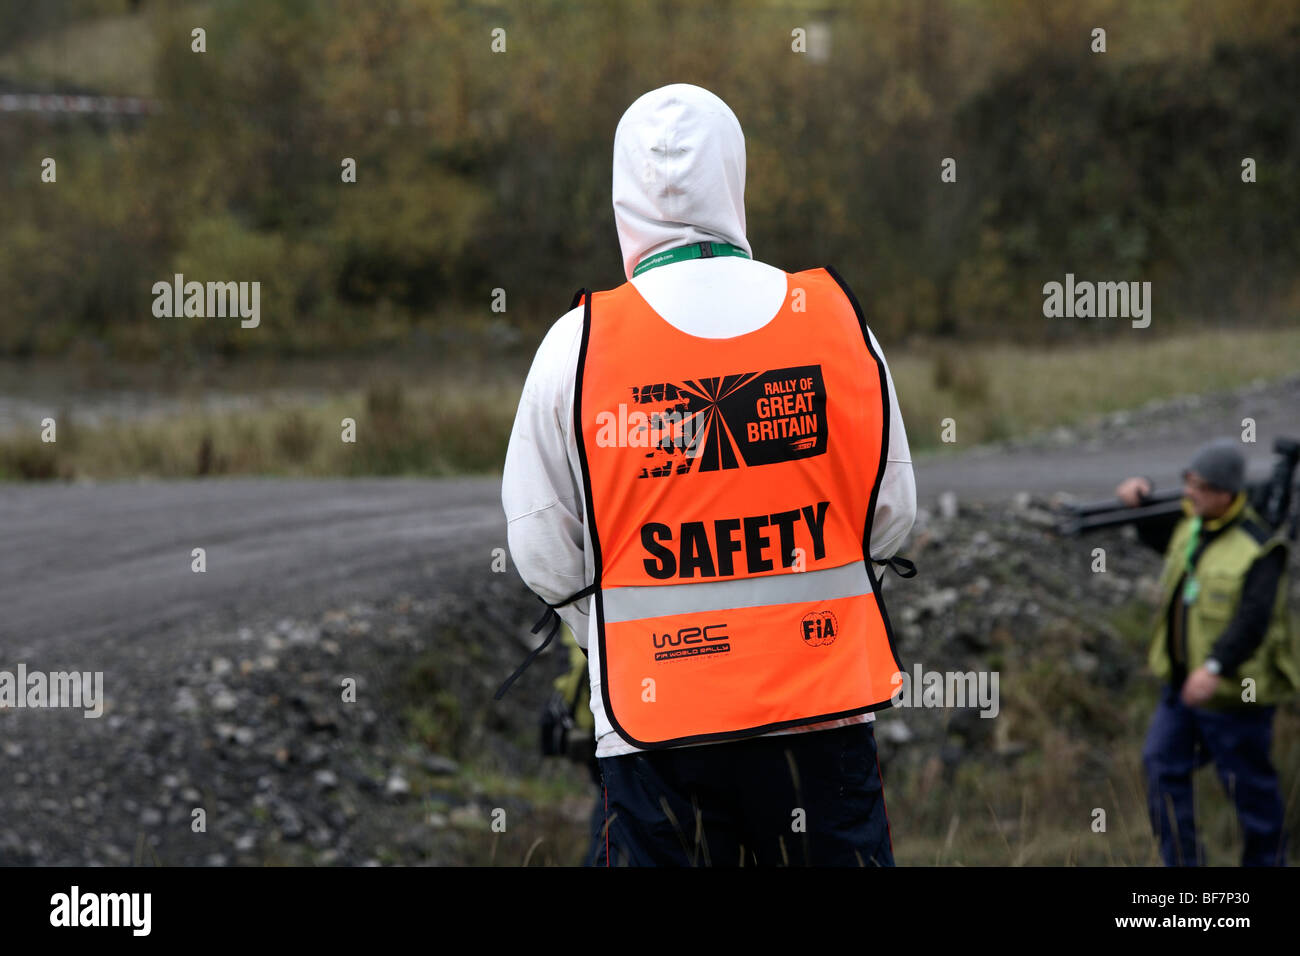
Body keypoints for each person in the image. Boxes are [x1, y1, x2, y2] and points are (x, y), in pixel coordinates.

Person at [501, 83, 916, 866]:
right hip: (819, 718)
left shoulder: (578, 345)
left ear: (622, 189)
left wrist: (619, 631)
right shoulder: (832, 321)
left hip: (655, 731)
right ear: (736, 174)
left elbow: (543, 549)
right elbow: (890, 513)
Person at [1116, 437, 1295, 866]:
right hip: (1179, 690)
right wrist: (1137, 503)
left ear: (1225, 492)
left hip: (1234, 695)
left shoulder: (1258, 548)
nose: (1189, 492)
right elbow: (1163, 540)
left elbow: (1253, 621)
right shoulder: (1190, 525)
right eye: (1188, 482)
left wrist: (1215, 667)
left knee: (1249, 788)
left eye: (1199, 486)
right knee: (1161, 766)